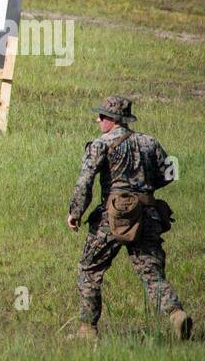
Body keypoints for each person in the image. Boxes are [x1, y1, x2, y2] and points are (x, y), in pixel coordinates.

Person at [67, 95, 190, 341]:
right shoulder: (149, 142)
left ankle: (87, 329)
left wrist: (75, 212)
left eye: (101, 116)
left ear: (112, 120)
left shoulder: (100, 145)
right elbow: (170, 173)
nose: (98, 119)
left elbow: (85, 181)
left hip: (113, 217)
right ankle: (176, 314)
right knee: (152, 273)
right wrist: (142, 189)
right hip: (148, 214)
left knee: (89, 268)